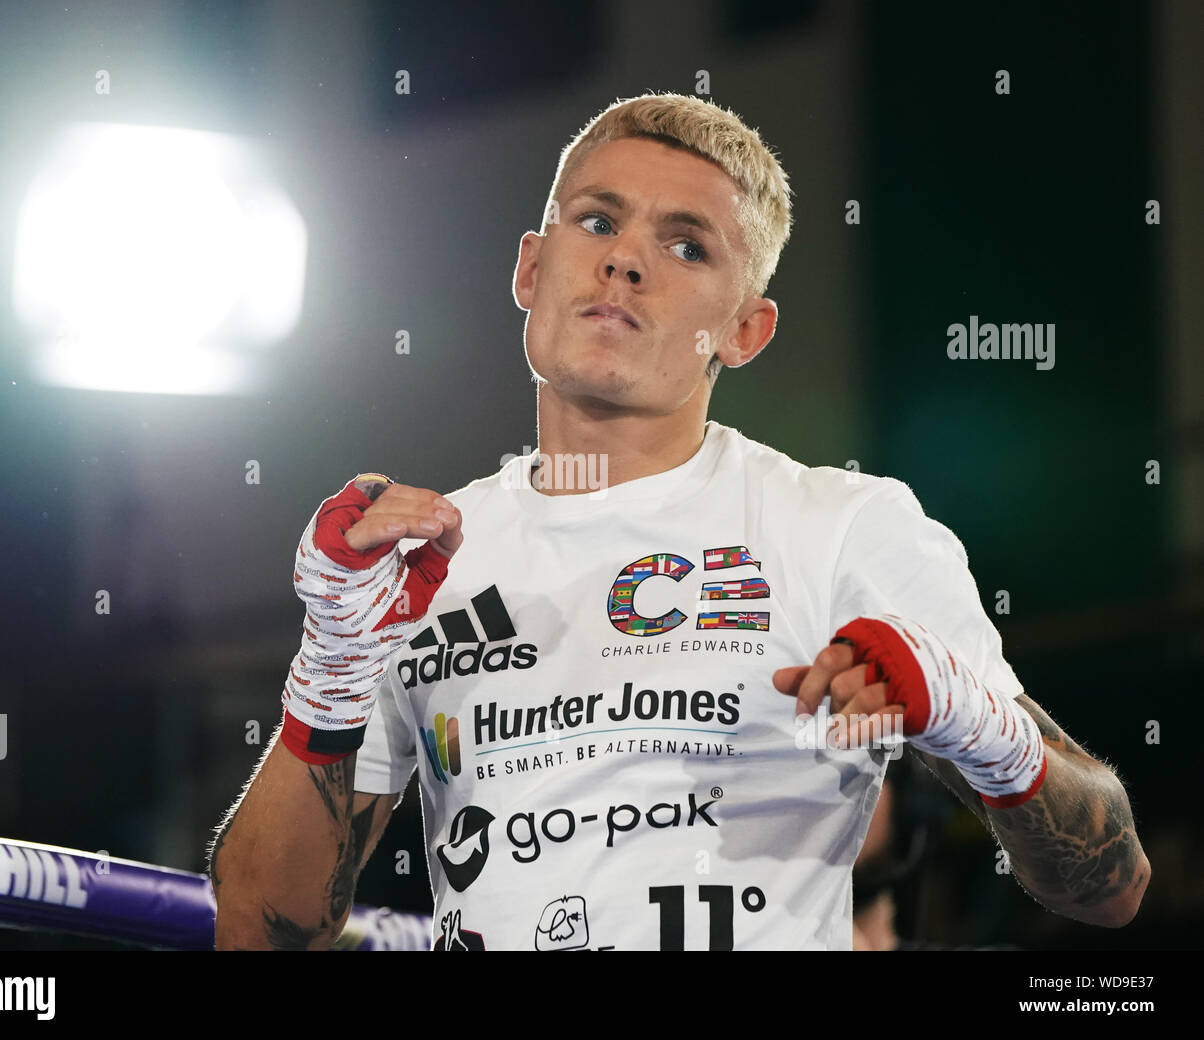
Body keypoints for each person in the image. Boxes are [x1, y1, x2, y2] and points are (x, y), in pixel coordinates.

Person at [209, 92, 1150, 951]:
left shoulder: (842, 527)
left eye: (687, 245)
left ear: (745, 330)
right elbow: (258, 932)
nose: (624, 259)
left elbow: (1109, 887)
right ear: (531, 269)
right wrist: (329, 671)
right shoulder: (421, 561)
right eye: (597, 220)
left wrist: (978, 721)